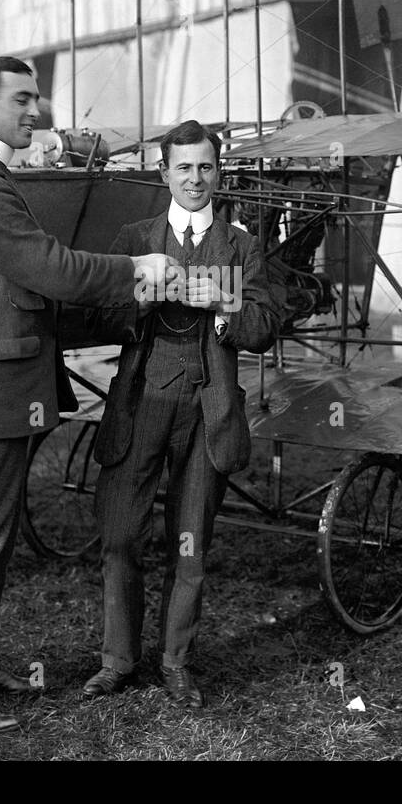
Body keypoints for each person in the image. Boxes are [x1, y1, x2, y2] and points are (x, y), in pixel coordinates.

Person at [0, 56, 172, 732]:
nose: (37, 110)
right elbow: (47, 266)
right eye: (23, 99)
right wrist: (136, 268)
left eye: (36, 98)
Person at [80, 120, 279, 708]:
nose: (195, 179)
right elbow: (95, 318)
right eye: (184, 167)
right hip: (141, 404)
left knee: (190, 542)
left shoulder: (241, 246)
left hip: (208, 411)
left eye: (206, 167)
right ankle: (118, 662)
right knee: (119, 536)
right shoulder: (134, 237)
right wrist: (141, 294)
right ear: (163, 172)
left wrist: (223, 303)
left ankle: (175, 663)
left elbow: (266, 326)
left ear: (219, 173)